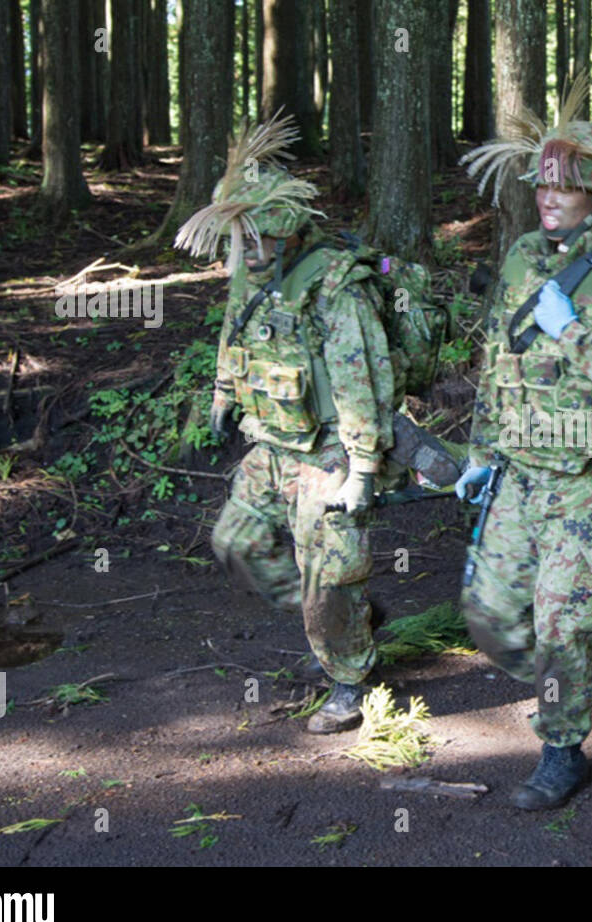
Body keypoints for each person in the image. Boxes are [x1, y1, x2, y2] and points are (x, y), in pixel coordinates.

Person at [458, 76, 592, 809]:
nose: (547, 198)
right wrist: (481, 452)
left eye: (565, 188)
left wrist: (574, 332)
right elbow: (497, 363)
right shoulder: (523, 255)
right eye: (542, 187)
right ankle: (579, 672)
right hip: (522, 470)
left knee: (558, 620)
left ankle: (561, 746)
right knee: (489, 615)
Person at [174, 114, 396, 733]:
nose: (237, 254)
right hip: (269, 445)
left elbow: (362, 384)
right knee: (238, 544)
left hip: (328, 453)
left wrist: (363, 469)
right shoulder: (252, 271)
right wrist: (222, 394)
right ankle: (352, 616)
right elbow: (233, 333)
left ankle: (349, 679)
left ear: (277, 231)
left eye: (248, 241)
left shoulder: (334, 288)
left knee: (327, 577)